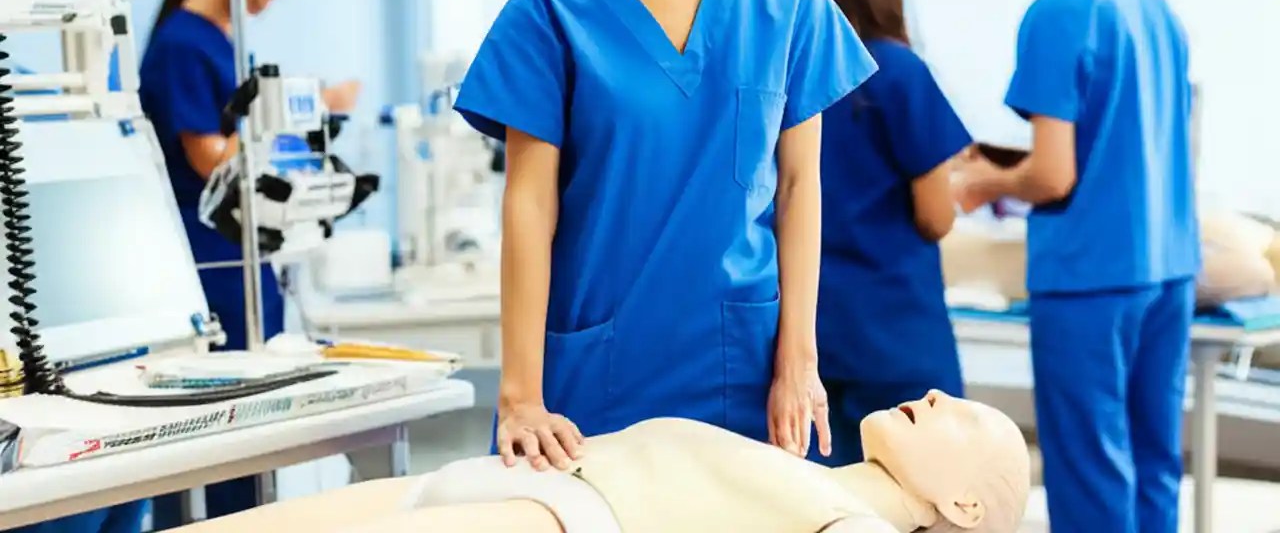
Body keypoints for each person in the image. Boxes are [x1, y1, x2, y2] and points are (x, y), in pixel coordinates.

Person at [453, 0, 877, 472]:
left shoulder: (789, 3)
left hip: (743, 375)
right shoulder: (554, 5)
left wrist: (799, 361)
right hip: (593, 378)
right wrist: (520, 396)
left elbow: (799, 189)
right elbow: (530, 206)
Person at [954, 0, 1200, 533]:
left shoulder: (1058, 9)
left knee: (1090, 470)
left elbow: (1053, 176)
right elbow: (1134, 140)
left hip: (1090, 274)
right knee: (1153, 461)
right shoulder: (1152, 1)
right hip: (1168, 268)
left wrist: (983, 182)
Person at [137, 0, 361, 525]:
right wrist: (288, 122)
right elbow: (209, 157)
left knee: (252, 436)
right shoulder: (183, 44)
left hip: (241, 250)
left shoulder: (221, 39)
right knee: (220, 430)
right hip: (209, 260)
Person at [169, 392, 1031, 533]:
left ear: (962, 510)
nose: (938, 396)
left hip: (560, 516)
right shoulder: (821, 478)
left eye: (967, 423)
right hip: (514, 482)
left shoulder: (855, 522)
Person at [790, 0, 972, 467]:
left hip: (810, 333)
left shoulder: (791, 71)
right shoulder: (896, 72)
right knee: (923, 492)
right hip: (896, 336)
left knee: (823, 496)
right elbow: (935, 216)